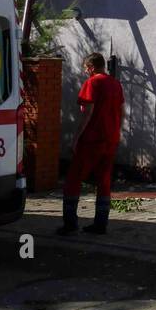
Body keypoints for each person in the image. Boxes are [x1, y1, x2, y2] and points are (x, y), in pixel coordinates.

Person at [57, 52, 124, 236]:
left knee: (73, 180)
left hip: (92, 139)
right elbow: (122, 112)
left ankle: (70, 223)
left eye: (86, 68)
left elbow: (87, 112)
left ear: (91, 67)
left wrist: (76, 137)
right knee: (104, 182)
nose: (86, 72)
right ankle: (101, 224)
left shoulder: (92, 83)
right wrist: (117, 131)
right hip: (110, 139)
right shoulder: (116, 84)